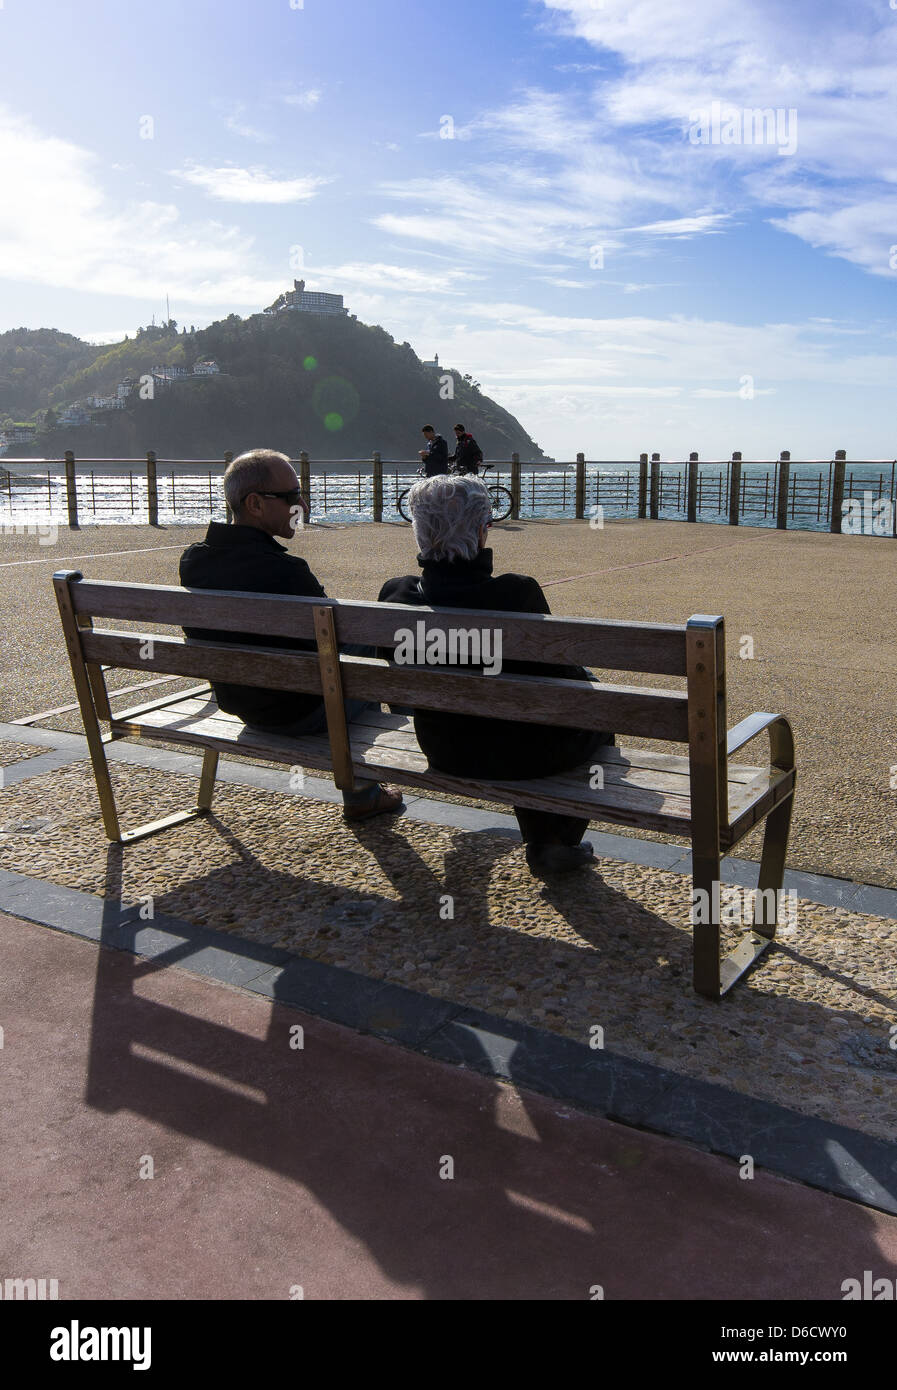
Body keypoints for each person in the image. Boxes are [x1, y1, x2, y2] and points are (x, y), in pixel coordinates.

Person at [377, 474, 614, 875]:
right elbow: (559, 683)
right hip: (525, 758)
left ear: (418, 529)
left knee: (517, 715)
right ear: (484, 529)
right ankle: (552, 841)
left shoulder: (395, 595)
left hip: (443, 748)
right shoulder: (515, 593)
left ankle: (549, 841)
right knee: (589, 717)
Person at [179, 448, 404, 822]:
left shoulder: (194, 561)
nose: (302, 504)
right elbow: (334, 639)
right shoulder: (286, 571)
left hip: (239, 702)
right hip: (299, 712)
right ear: (254, 504)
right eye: (290, 497)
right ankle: (363, 791)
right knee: (371, 648)